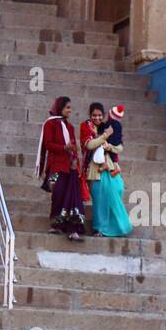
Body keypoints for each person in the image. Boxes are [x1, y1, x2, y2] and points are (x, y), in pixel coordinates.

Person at [36, 96, 85, 241]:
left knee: (72, 197)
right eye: (67, 107)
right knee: (57, 193)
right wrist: (65, 148)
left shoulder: (69, 127)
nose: (70, 110)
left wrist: (75, 160)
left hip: (70, 167)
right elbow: (48, 144)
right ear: (60, 108)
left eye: (70, 107)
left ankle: (73, 229)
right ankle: (56, 225)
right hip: (54, 167)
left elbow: (73, 146)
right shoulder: (50, 124)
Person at [81, 103, 132, 238]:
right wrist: (104, 137)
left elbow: (119, 147)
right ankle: (99, 228)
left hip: (109, 166)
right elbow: (90, 145)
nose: (96, 118)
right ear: (89, 115)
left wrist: (109, 147)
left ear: (103, 115)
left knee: (118, 188)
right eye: (94, 115)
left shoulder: (107, 126)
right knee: (100, 197)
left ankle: (115, 226)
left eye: (99, 115)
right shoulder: (86, 126)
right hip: (94, 168)